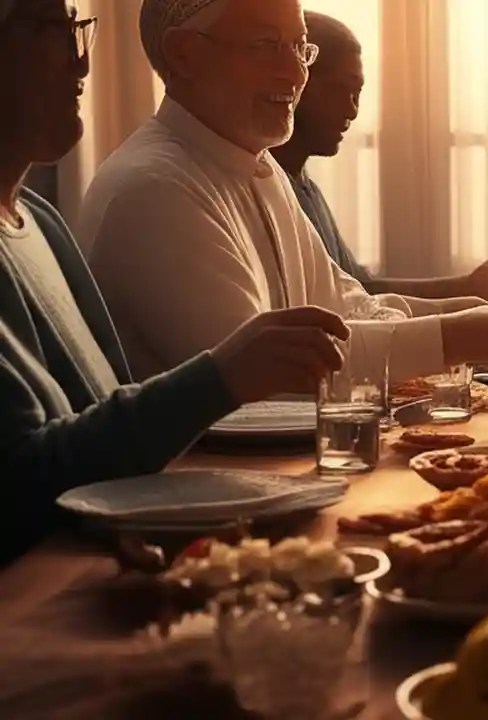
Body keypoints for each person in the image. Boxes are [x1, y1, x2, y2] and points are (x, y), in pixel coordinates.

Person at [0, 0, 349, 563]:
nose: (81, 65)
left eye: (77, 33)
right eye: (55, 33)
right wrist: (219, 378)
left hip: (114, 563)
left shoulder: (38, 219)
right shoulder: (147, 186)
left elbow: (105, 429)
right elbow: (19, 490)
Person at [76, 0, 488, 382]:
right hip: (199, 501)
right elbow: (270, 377)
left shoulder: (258, 168)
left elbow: (347, 310)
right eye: (266, 46)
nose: (295, 72)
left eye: (298, 47)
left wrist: (472, 313)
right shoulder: (155, 190)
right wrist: (467, 335)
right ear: (184, 55)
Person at [270, 11, 488, 304]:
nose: (353, 111)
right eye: (341, 90)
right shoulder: (268, 191)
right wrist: (468, 292)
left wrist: (471, 285)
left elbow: (359, 289)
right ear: (297, 84)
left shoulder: (305, 188)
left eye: (357, 93)